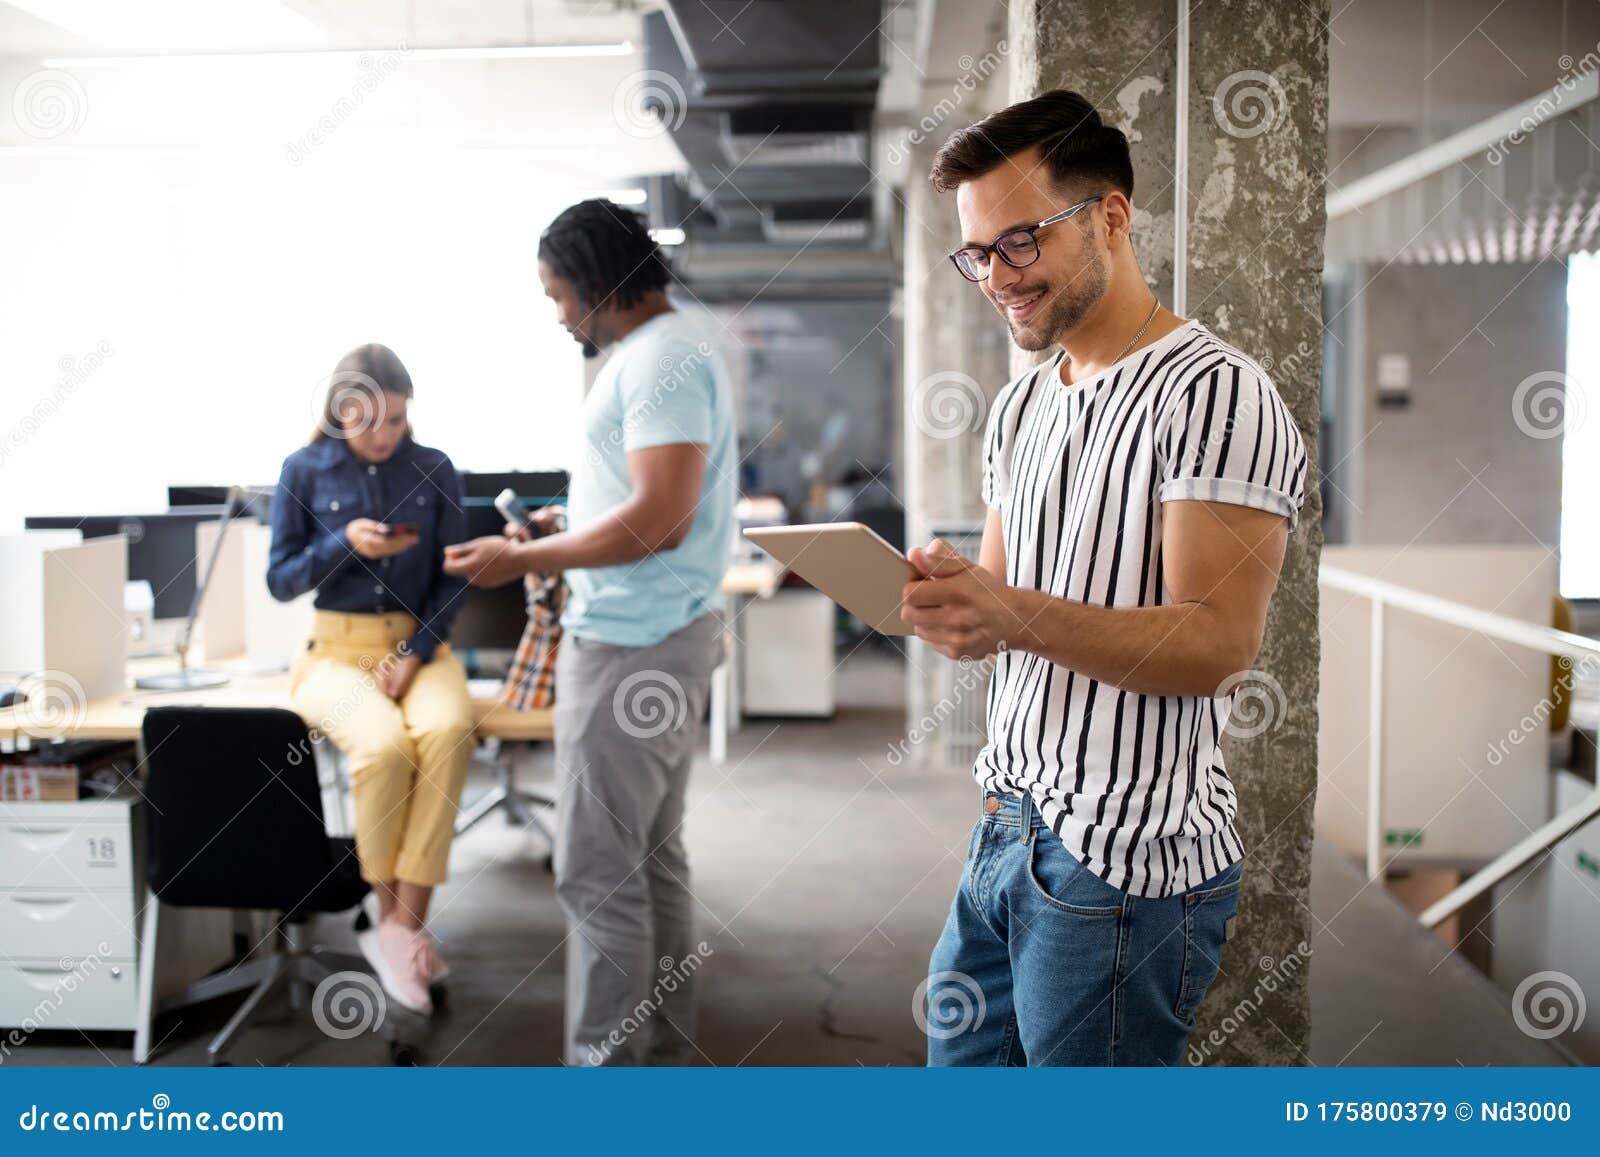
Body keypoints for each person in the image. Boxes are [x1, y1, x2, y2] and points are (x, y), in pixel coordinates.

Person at [904, 90, 1307, 1066]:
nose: (998, 277)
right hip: (1006, 826)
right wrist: (955, 597)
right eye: (978, 254)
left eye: (1021, 242)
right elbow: (1003, 605)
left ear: (1111, 218)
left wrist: (1009, 609)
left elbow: (1216, 645)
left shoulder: (1214, 393)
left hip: (1122, 859)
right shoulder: (1021, 405)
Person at [445, 199, 735, 1065]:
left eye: (559, 295)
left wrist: (526, 560)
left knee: (597, 871)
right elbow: (637, 499)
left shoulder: (662, 360)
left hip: (632, 641)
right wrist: (562, 523)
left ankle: (602, 1079)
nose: (559, 314)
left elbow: (662, 517)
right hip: (654, 632)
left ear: (599, 281)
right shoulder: (664, 352)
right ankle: (663, 1059)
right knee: (648, 857)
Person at [267, 343, 473, 1018]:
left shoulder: (434, 468)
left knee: (448, 729)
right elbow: (282, 579)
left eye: (397, 420)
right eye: (370, 422)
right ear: (339, 411)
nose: (385, 435)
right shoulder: (303, 469)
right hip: (335, 651)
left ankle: (397, 928)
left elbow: (453, 576)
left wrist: (415, 651)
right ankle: (401, 932)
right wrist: (344, 543)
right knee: (383, 749)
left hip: (419, 647)